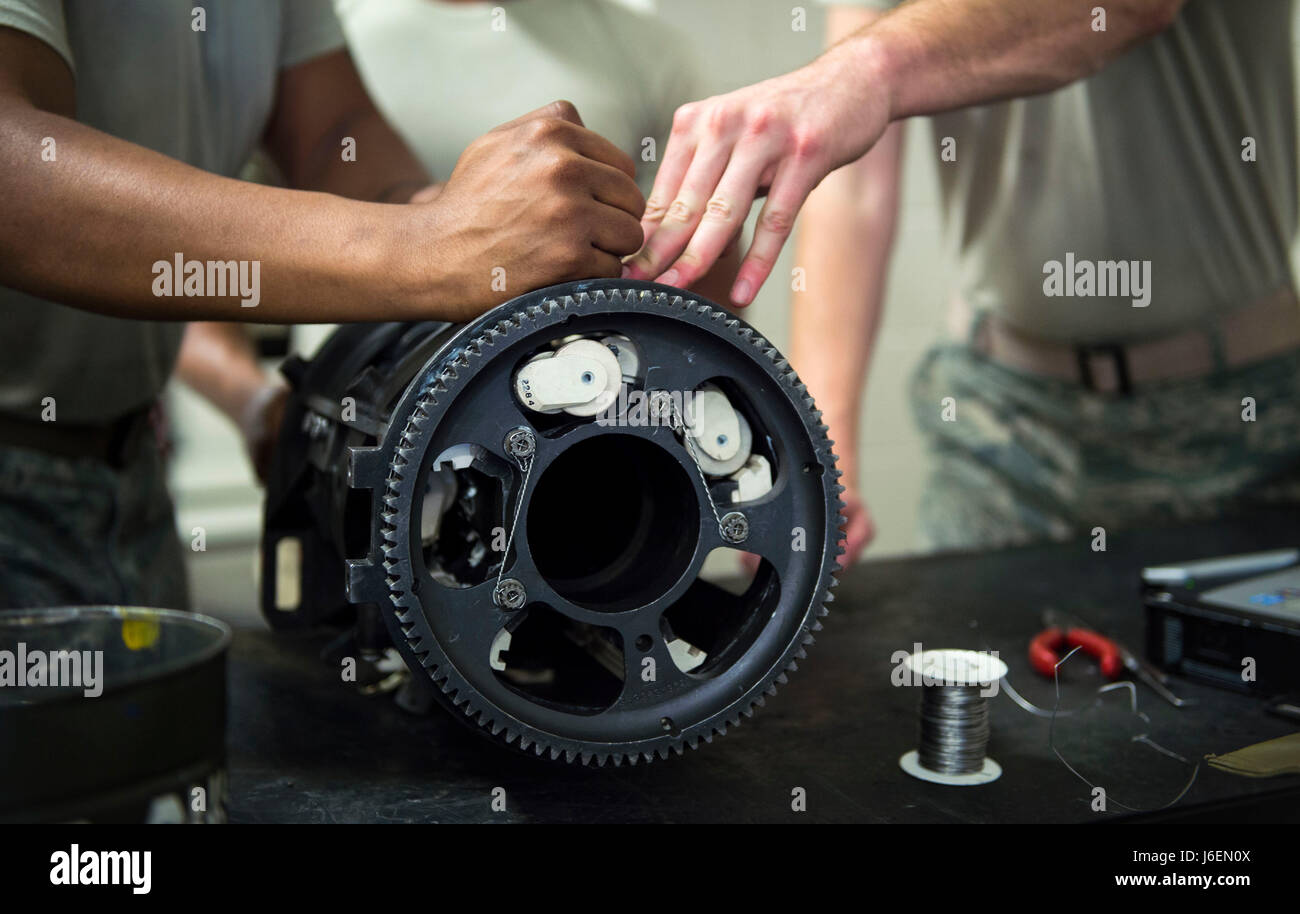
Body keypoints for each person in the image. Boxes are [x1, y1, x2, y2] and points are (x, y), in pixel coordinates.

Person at [0, 0, 644, 609]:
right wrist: (431, 245)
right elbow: (15, 176)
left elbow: (333, 136)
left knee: (149, 723)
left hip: (128, 458)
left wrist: (463, 225)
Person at [626, 0, 1300, 559]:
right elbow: (852, 180)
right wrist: (819, 460)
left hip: (1240, 419)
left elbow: (1128, 8)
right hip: (999, 424)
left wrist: (872, 67)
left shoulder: (878, 64)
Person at [334, 0, 741, 304]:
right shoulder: (331, 36)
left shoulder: (650, 50)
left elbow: (702, 274)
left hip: (576, 397)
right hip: (351, 388)